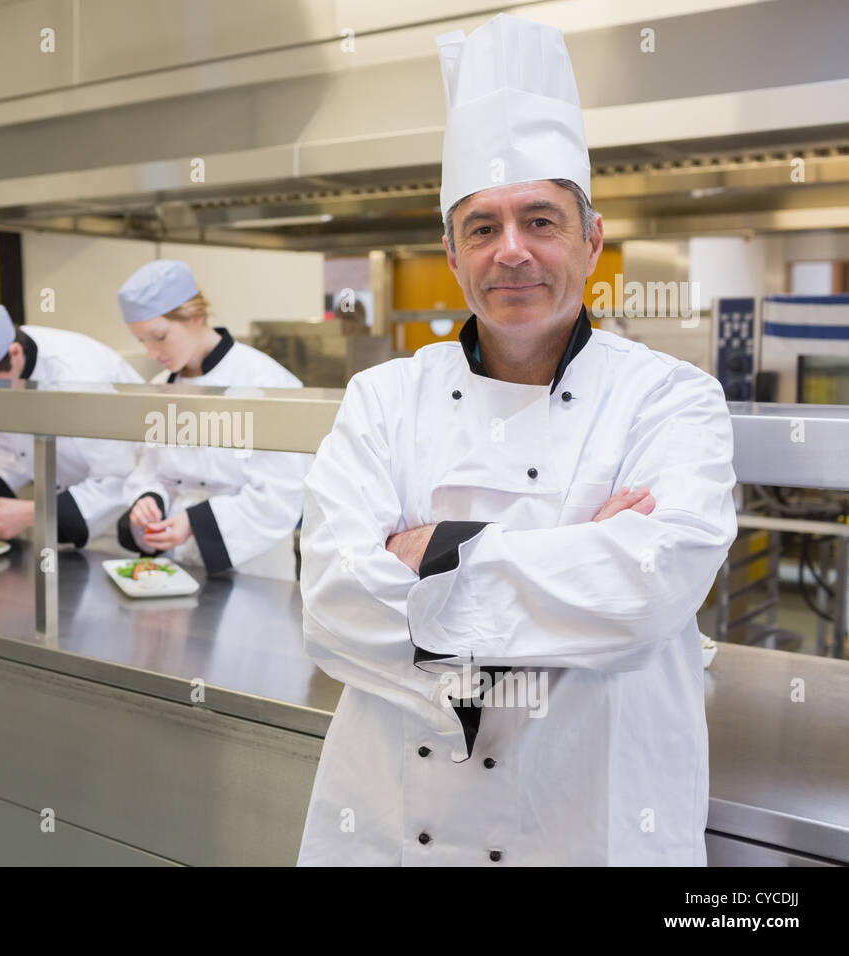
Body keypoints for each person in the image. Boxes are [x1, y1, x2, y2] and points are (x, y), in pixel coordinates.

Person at [297, 13, 737, 865]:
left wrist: (429, 553)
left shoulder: (672, 398)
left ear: (592, 239)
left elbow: (647, 592)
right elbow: (333, 604)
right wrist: (576, 556)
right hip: (395, 829)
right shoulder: (383, 397)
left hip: (589, 820)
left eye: (541, 220)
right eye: (482, 227)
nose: (513, 253)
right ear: (453, 255)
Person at [116, 259, 311, 581]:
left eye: (159, 336)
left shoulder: (268, 383)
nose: (151, 352)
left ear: (196, 317)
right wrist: (147, 501)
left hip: (253, 569)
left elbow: (284, 494)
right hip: (172, 564)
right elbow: (148, 470)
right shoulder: (161, 389)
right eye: (142, 342)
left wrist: (195, 522)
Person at [0, 300, 143, 547]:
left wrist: (30, 513)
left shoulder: (80, 377)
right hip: (59, 521)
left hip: (116, 530)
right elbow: (9, 451)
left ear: (14, 352)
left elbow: (117, 478)